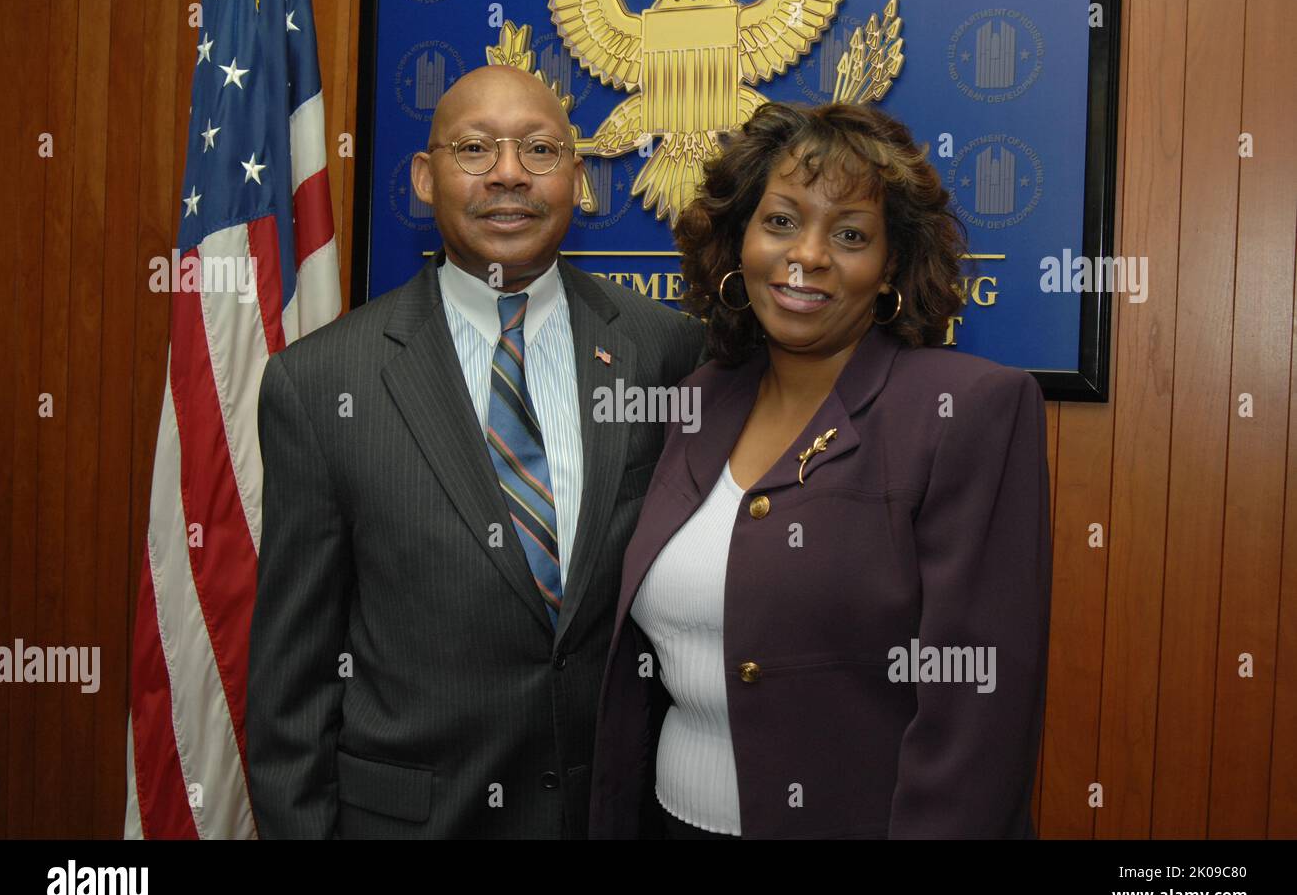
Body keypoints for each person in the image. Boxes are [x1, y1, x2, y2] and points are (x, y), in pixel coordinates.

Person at [246, 65, 703, 839]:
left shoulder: (667, 350)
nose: (508, 175)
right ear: (425, 178)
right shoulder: (320, 382)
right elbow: (295, 680)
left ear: (579, 178)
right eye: (474, 149)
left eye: (540, 150)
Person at [588, 101, 1052, 839]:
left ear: (891, 263)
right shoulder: (699, 398)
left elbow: (976, 715)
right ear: (739, 238)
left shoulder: (965, 409)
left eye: (850, 234)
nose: (808, 254)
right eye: (779, 221)